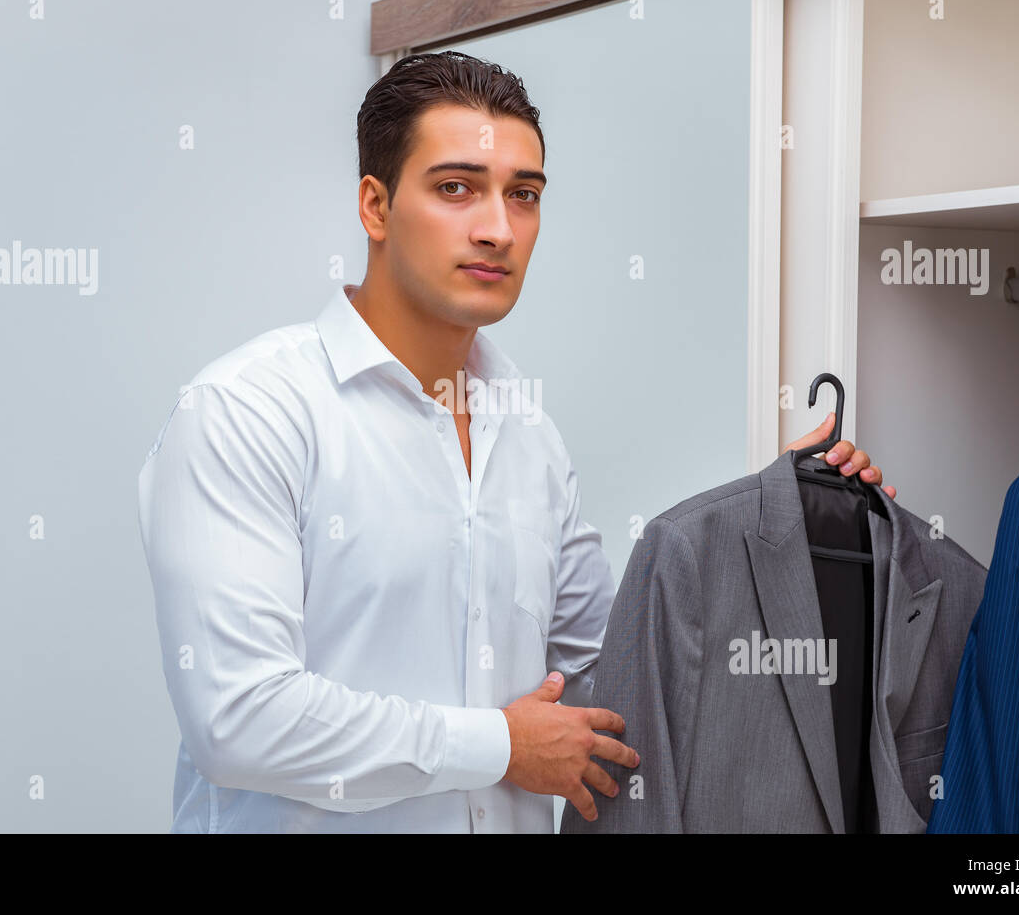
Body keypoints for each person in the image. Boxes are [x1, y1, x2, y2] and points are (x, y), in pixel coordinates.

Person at [136, 51, 894, 833]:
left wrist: (769, 517)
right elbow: (240, 718)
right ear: (375, 206)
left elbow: (608, 681)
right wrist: (500, 745)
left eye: (522, 195)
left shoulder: (528, 434)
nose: (498, 228)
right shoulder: (246, 412)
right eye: (455, 188)